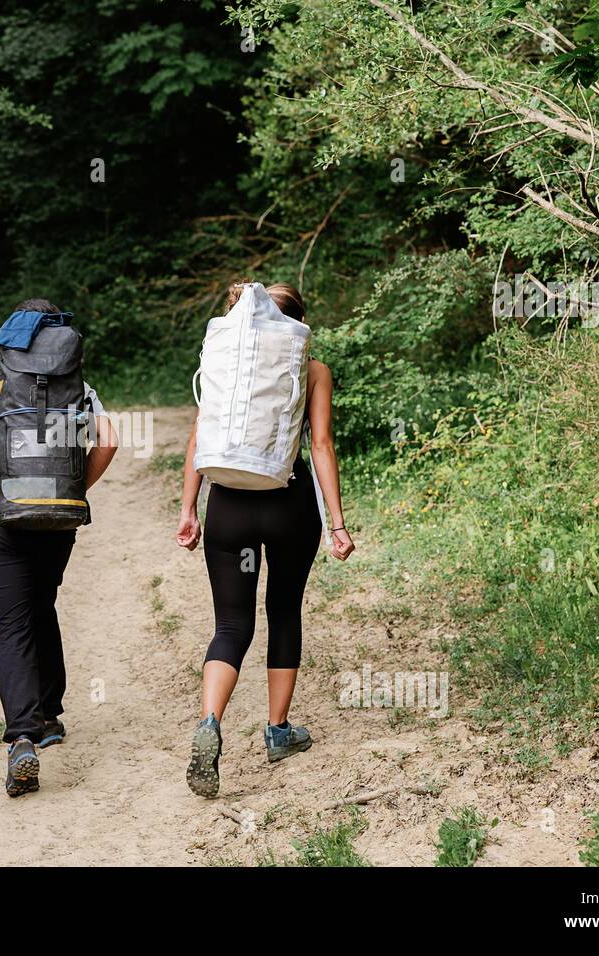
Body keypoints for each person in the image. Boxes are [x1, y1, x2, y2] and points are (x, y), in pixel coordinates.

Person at [175, 282, 355, 798]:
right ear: (298, 326)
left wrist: (190, 508)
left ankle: (210, 722)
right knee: (283, 611)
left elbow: (199, 436)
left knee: (231, 624)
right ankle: (278, 732)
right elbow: (319, 444)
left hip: (229, 502)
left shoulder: (227, 362)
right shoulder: (312, 368)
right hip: (288, 503)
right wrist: (338, 524)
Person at [0, 298, 117, 797]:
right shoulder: (78, 387)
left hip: (4, 518)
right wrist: (75, 490)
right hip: (59, 518)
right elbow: (108, 441)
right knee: (42, 605)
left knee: (14, 623)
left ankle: (22, 734)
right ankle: (49, 717)